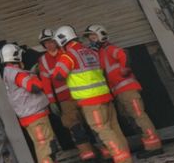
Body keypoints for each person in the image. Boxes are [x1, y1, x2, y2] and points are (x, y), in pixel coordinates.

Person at [51, 26, 132, 163]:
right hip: (106, 96)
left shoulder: (69, 55)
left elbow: (58, 76)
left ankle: (122, 160)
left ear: (62, 40)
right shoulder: (90, 51)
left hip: (91, 102)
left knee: (103, 131)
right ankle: (126, 157)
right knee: (114, 128)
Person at [86, 24, 164, 158]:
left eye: (93, 36)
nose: (91, 40)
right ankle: (147, 142)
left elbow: (124, 55)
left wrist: (125, 68)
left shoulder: (110, 49)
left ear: (101, 35)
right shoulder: (102, 52)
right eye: (90, 38)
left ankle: (154, 145)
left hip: (127, 89)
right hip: (119, 91)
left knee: (139, 116)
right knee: (134, 117)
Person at [36, 29, 98, 161]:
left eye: (51, 41)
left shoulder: (66, 53)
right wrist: (52, 101)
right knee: (75, 128)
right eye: (45, 42)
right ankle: (88, 155)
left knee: (95, 122)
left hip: (81, 93)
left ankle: (104, 149)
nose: (49, 44)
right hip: (65, 100)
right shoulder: (44, 61)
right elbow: (46, 82)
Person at [1, 43, 60, 163]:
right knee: (44, 147)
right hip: (35, 117)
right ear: (15, 56)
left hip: (33, 116)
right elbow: (33, 86)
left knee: (47, 145)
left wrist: (30, 73)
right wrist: (38, 77)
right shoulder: (15, 72)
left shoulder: (11, 72)